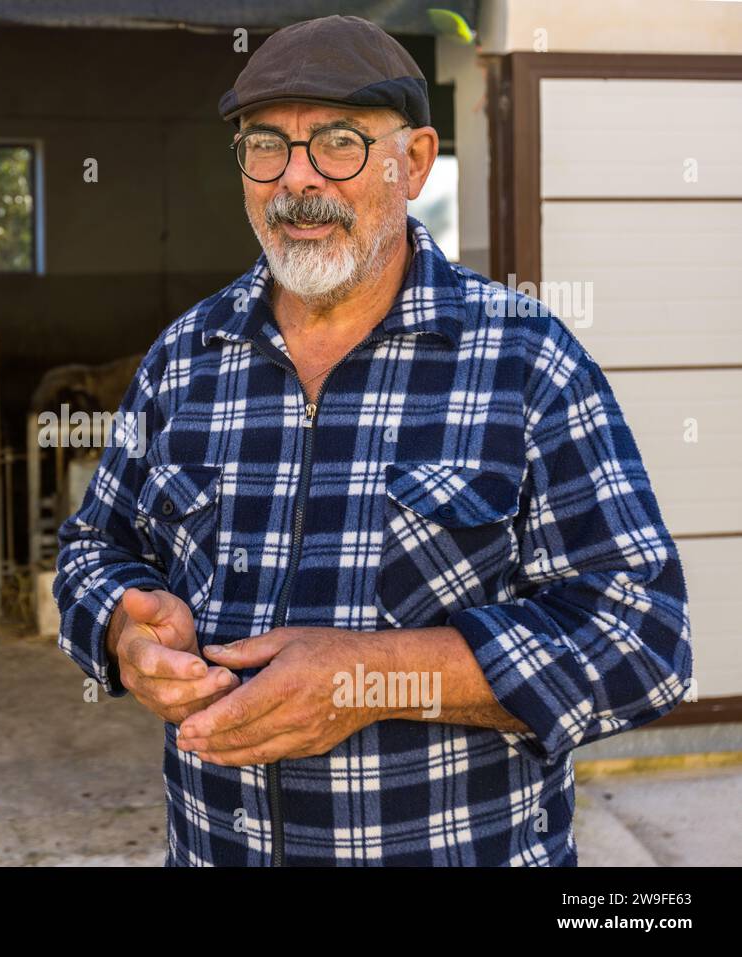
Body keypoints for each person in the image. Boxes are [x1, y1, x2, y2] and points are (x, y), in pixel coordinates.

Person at [52, 15, 692, 866]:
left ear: (416, 161)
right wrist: (123, 635)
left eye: (339, 144)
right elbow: (94, 547)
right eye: (266, 147)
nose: (298, 182)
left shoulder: (526, 361)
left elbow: (644, 639)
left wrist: (377, 675)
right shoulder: (186, 358)